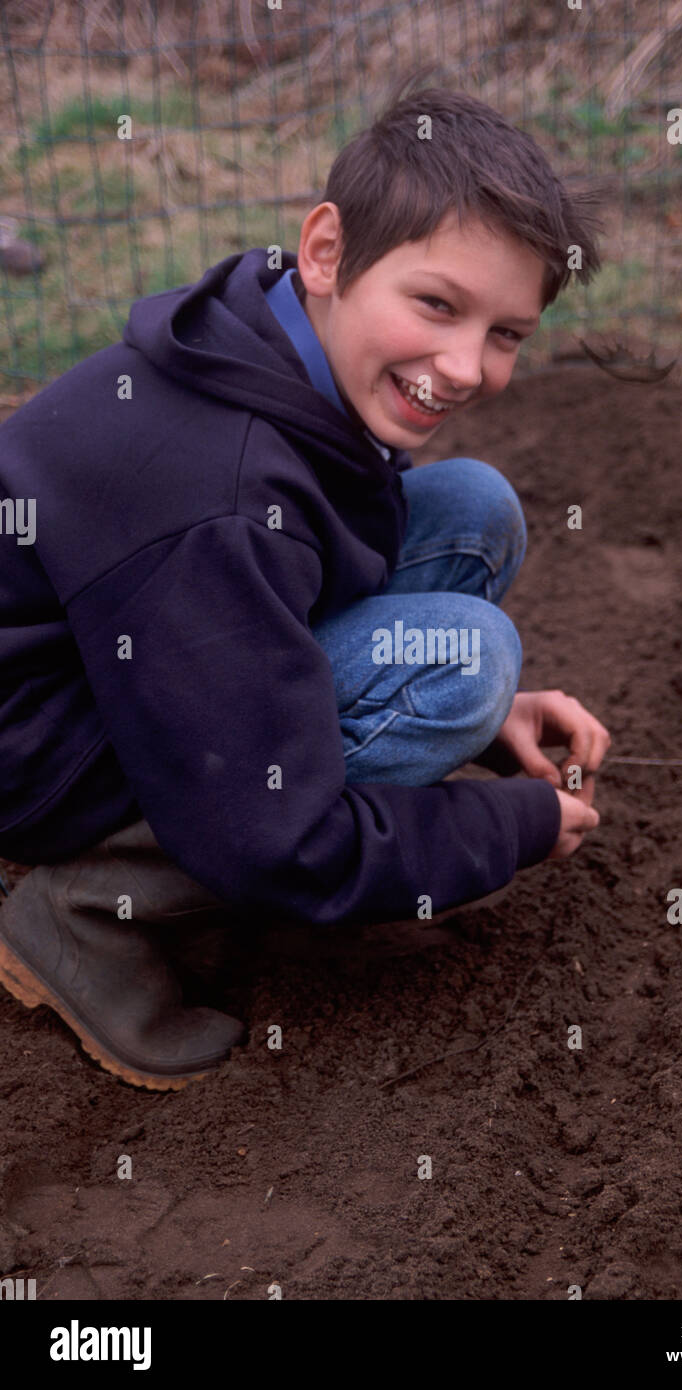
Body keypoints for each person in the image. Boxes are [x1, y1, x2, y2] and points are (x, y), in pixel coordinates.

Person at [0, 82, 610, 1090]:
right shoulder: (218, 488)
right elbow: (275, 845)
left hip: (128, 644)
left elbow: (290, 549)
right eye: (437, 305)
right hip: (37, 750)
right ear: (325, 251)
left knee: (473, 508)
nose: (463, 366)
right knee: (462, 663)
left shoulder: (269, 331)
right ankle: (82, 911)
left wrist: (490, 710)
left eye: (505, 333)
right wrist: (511, 826)